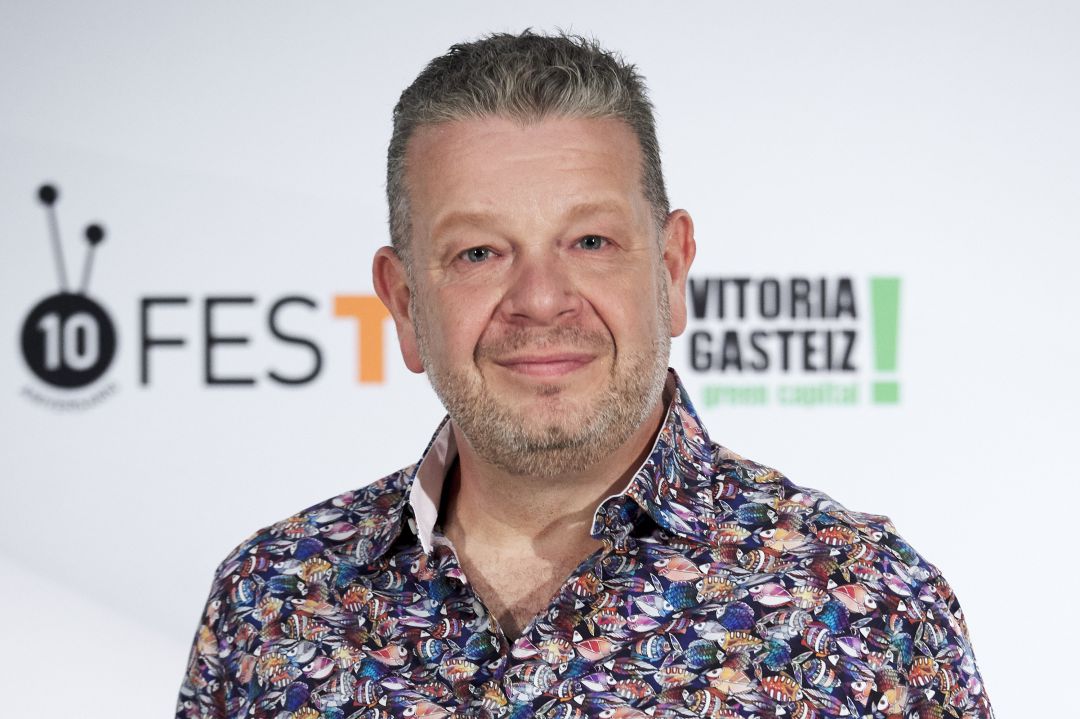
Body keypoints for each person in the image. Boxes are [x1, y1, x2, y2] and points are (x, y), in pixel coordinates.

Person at [177, 31, 993, 719]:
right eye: (479, 252)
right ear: (404, 301)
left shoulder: (871, 603)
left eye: (591, 242)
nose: (540, 298)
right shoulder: (271, 599)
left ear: (671, 268)